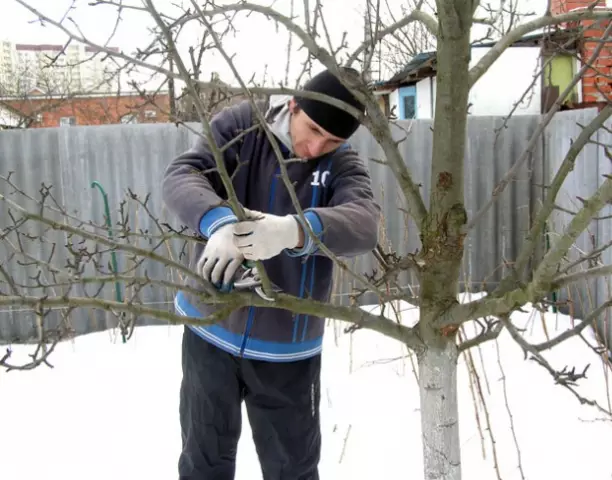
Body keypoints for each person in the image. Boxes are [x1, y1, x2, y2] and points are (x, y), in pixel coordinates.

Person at [162, 66, 381, 480]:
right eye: (313, 129)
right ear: (293, 104)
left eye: (333, 139)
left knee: (292, 471)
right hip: (210, 327)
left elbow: (365, 222)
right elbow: (183, 174)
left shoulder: (342, 163)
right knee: (202, 463)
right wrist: (218, 223)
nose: (317, 146)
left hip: (289, 349)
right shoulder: (243, 125)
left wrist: (294, 230)